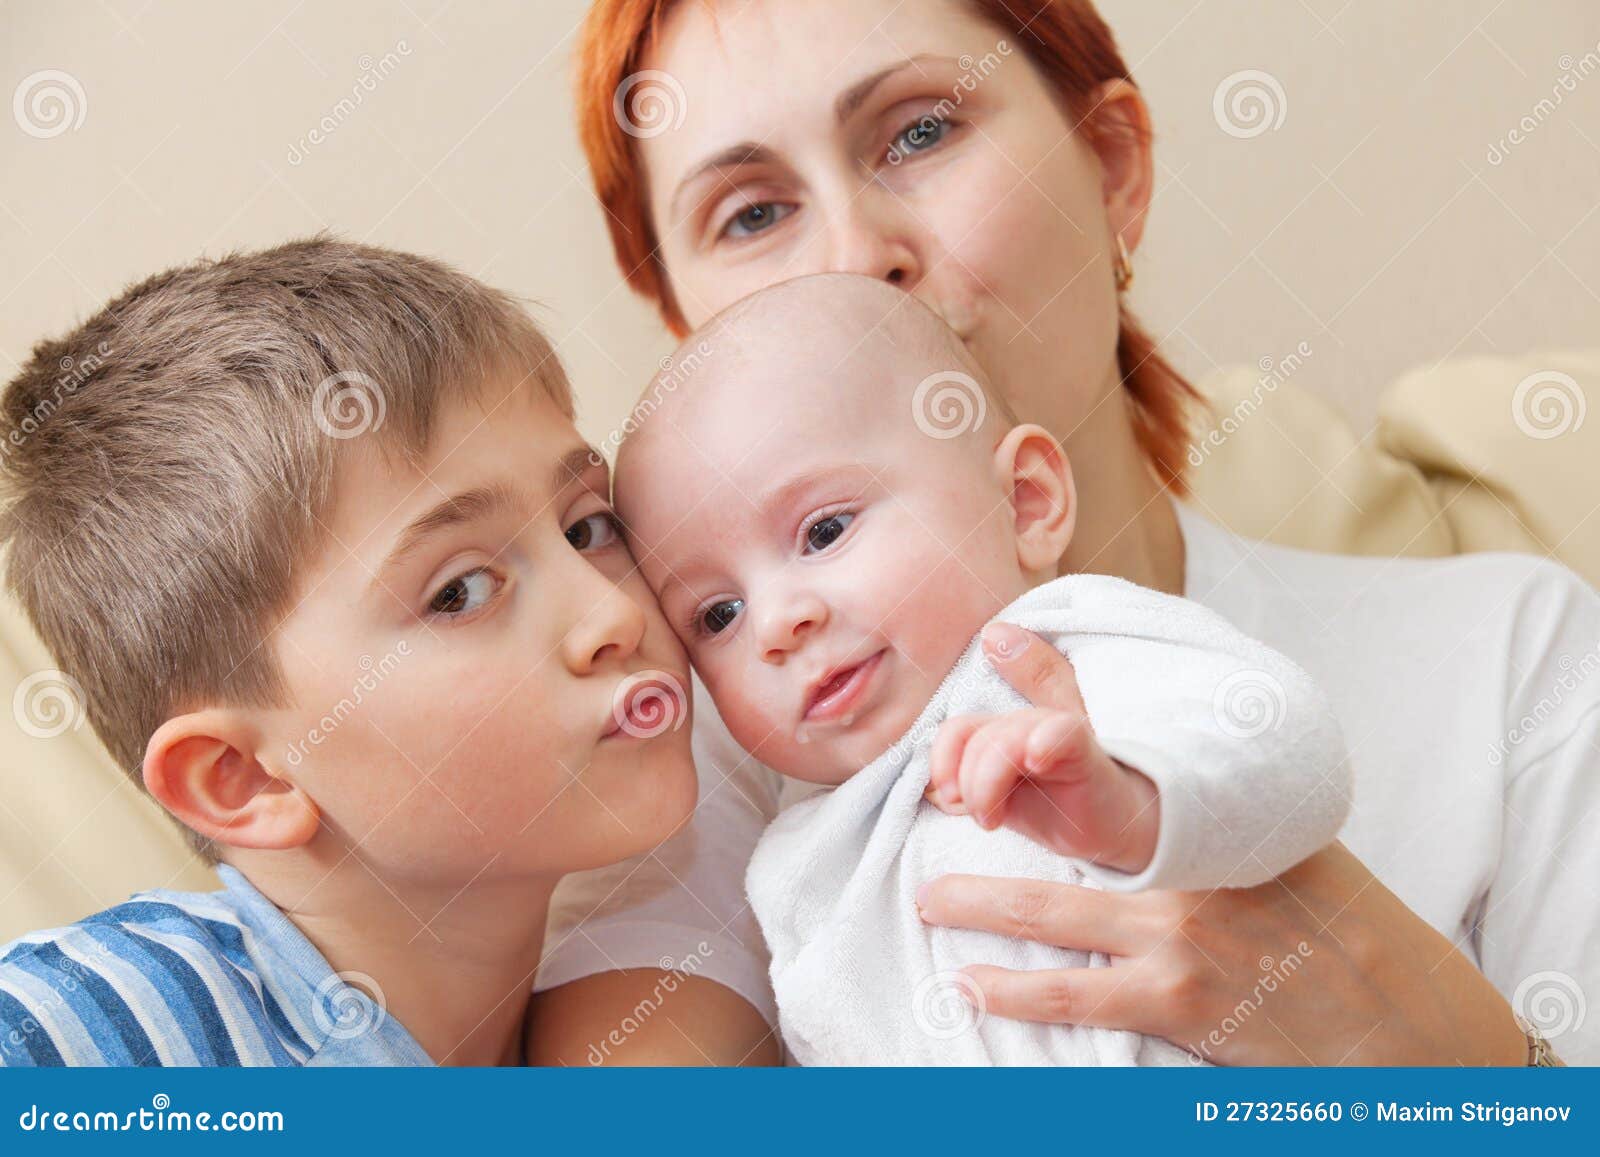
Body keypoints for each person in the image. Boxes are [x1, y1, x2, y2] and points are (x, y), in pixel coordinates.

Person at [529, 0, 1600, 1066]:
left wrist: (1452, 1057)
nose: (856, 256)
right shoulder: (683, 772)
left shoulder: (1514, 660)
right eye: (753, 214)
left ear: (1113, 166)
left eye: (920, 131)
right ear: (685, 330)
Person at [612, 273, 1351, 1064]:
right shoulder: (798, 870)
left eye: (824, 531)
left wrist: (1133, 808)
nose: (775, 624)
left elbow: (1298, 752)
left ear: (1025, 501)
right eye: (718, 614)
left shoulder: (1073, 649)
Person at [0, 237, 699, 1065]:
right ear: (243, 776)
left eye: (586, 527)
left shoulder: (660, 984)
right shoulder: (113, 1013)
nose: (613, 612)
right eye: (459, 592)